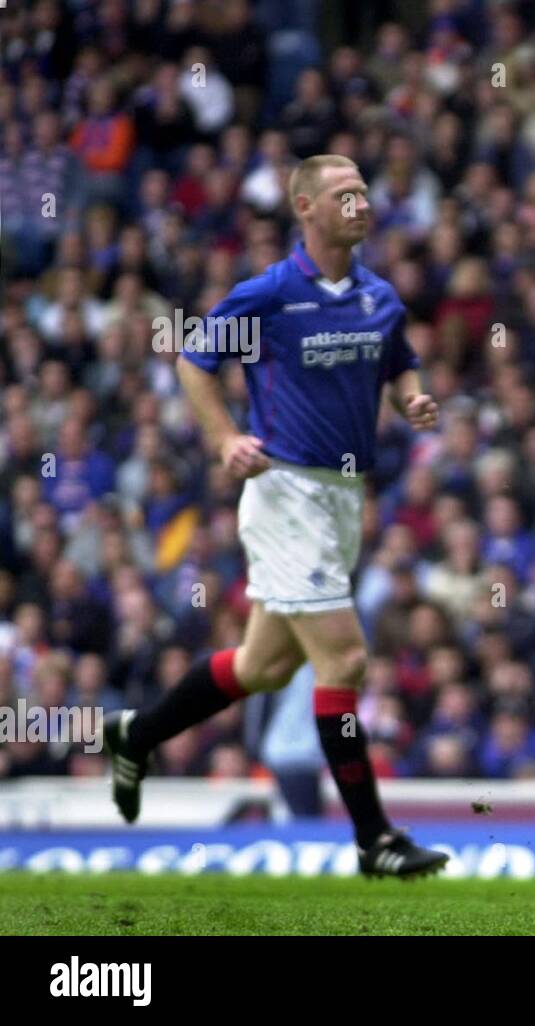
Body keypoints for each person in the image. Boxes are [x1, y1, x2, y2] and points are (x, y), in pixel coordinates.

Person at [103, 154, 448, 879]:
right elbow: (193, 361)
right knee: (345, 660)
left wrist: (411, 398)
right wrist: (225, 438)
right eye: (344, 195)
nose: (360, 204)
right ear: (305, 208)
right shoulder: (270, 294)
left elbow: (397, 362)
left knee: (262, 667)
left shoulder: (377, 296)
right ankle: (375, 839)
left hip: (343, 498)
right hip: (285, 493)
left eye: (364, 192)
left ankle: (138, 733)